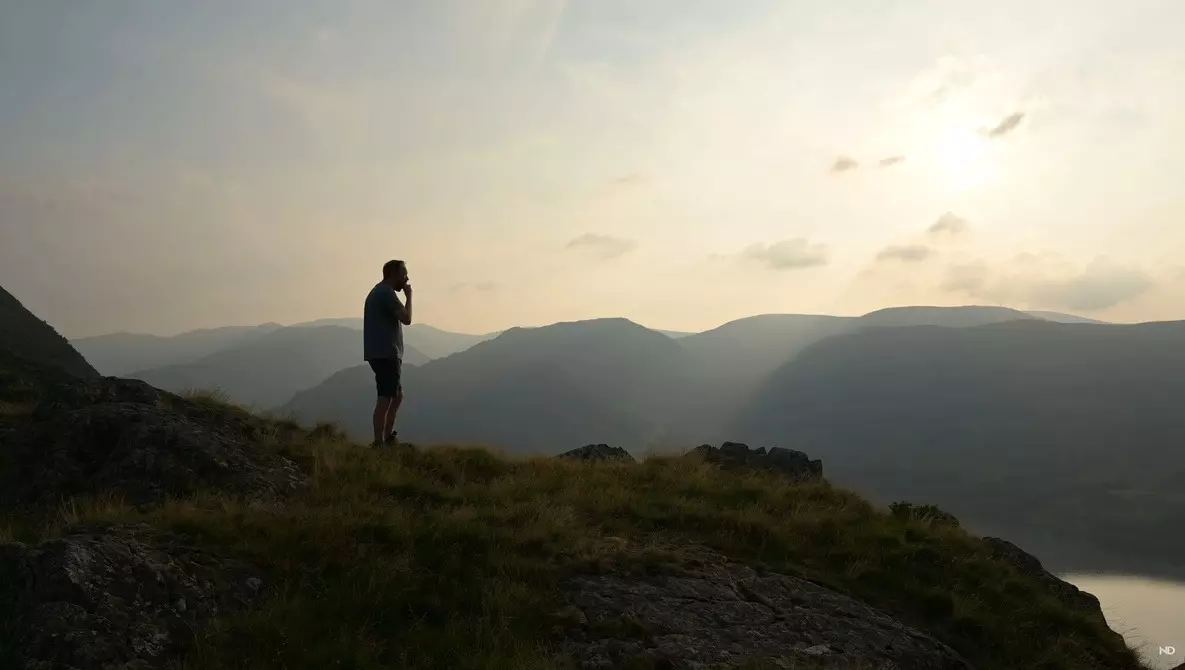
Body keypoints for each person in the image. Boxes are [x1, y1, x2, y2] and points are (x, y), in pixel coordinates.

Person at [363, 259, 412, 447]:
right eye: (404, 274)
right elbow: (406, 318)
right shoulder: (386, 293)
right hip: (386, 353)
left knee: (396, 395)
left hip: (380, 352)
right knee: (386, 397)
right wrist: (409, 297)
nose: (407, 278)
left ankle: (387, 437)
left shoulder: (379, 291)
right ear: (394, 274)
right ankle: (380, 442)